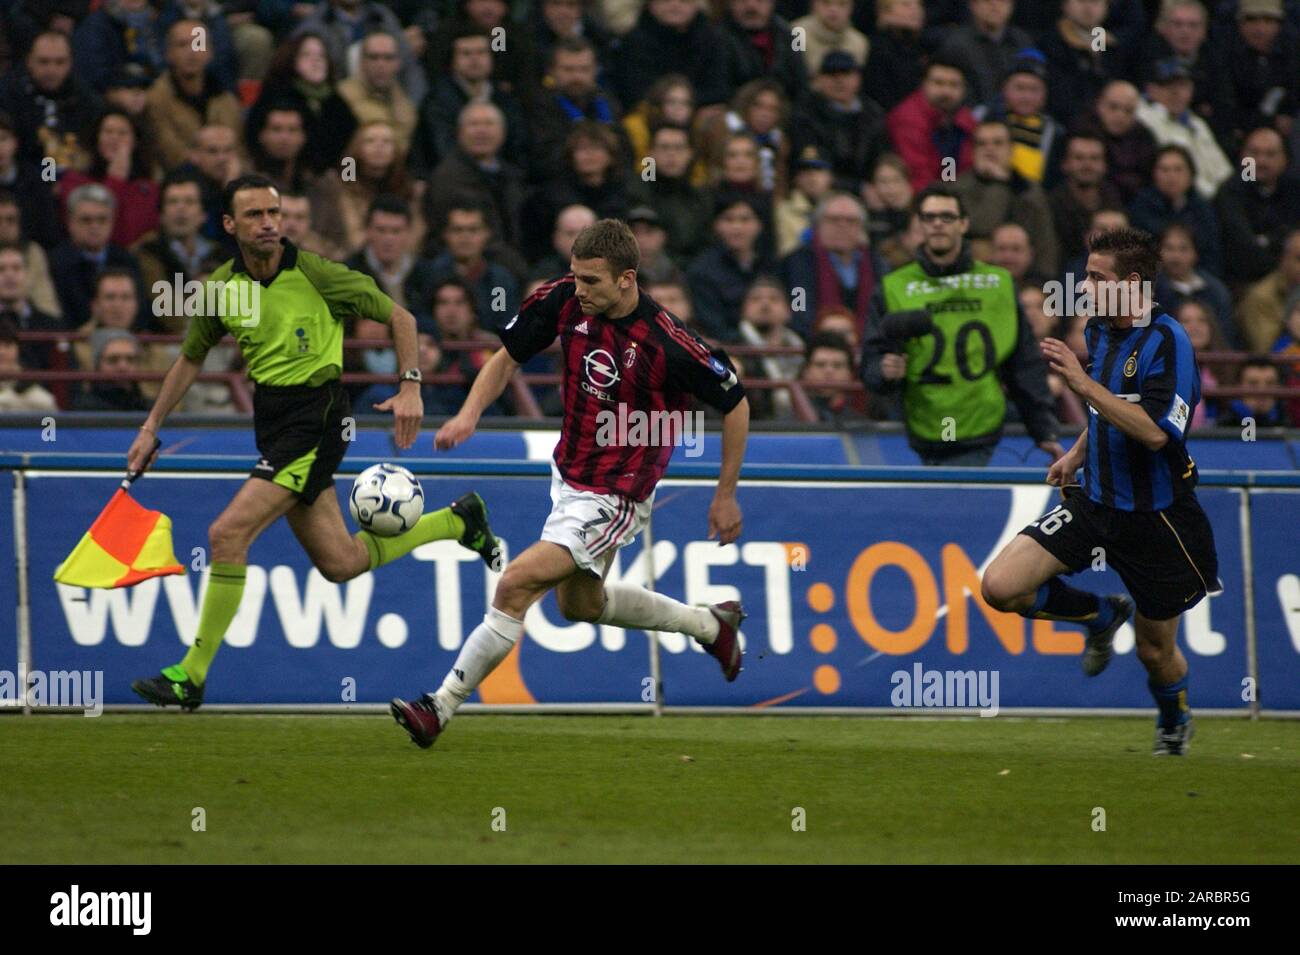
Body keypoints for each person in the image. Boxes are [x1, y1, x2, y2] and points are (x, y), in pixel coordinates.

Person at [126, 174, 502, 711]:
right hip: (272, 420)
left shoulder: (318, 274)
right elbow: (191, 357)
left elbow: (400, 317)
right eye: (254, 215)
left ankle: (192, 674)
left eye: (273, 213)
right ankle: (458, 521)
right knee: (341, 562)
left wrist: (410, 385)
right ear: (230, 225)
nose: (268, 223)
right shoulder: (220, 290)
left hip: (317, 417)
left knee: (226, 533)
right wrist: (149, 428)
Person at [390, 218, 750, 748]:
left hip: (616, 493)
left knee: (515, 583)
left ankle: (438, 707)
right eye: (576, 277)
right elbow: (507, 358)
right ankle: (710, 626)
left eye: (592, 282)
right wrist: (469, 414)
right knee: (578, 605)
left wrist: (725, 494)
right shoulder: (563, 299)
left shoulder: (670, 343)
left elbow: (737, 404)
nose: (579, 290)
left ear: (627, 279)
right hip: (569, 473)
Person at [981, 227, 1220, 756]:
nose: (1084, 287)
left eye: (1096, 278)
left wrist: (1082, 385)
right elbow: (1109, 409)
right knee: (1000, 587)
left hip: (1157, 518)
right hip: (1095, 501)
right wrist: (1077, 452)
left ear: (1132, 283)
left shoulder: (1168, 341)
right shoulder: (1099, 332)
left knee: (1155, 653)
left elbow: (1157, 431)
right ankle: (1100, 615)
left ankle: (1174, 718)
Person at [860, 185, 1062, 467]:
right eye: (929, 218)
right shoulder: (892, 286)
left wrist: (1044, 429)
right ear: (920, 225)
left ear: (964, 224)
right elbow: (871, 357)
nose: (938, 224)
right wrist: (882, 370)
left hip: (979, 425)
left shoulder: (999, 284)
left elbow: (1023, 363)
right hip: (916, 425)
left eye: (947, 217)